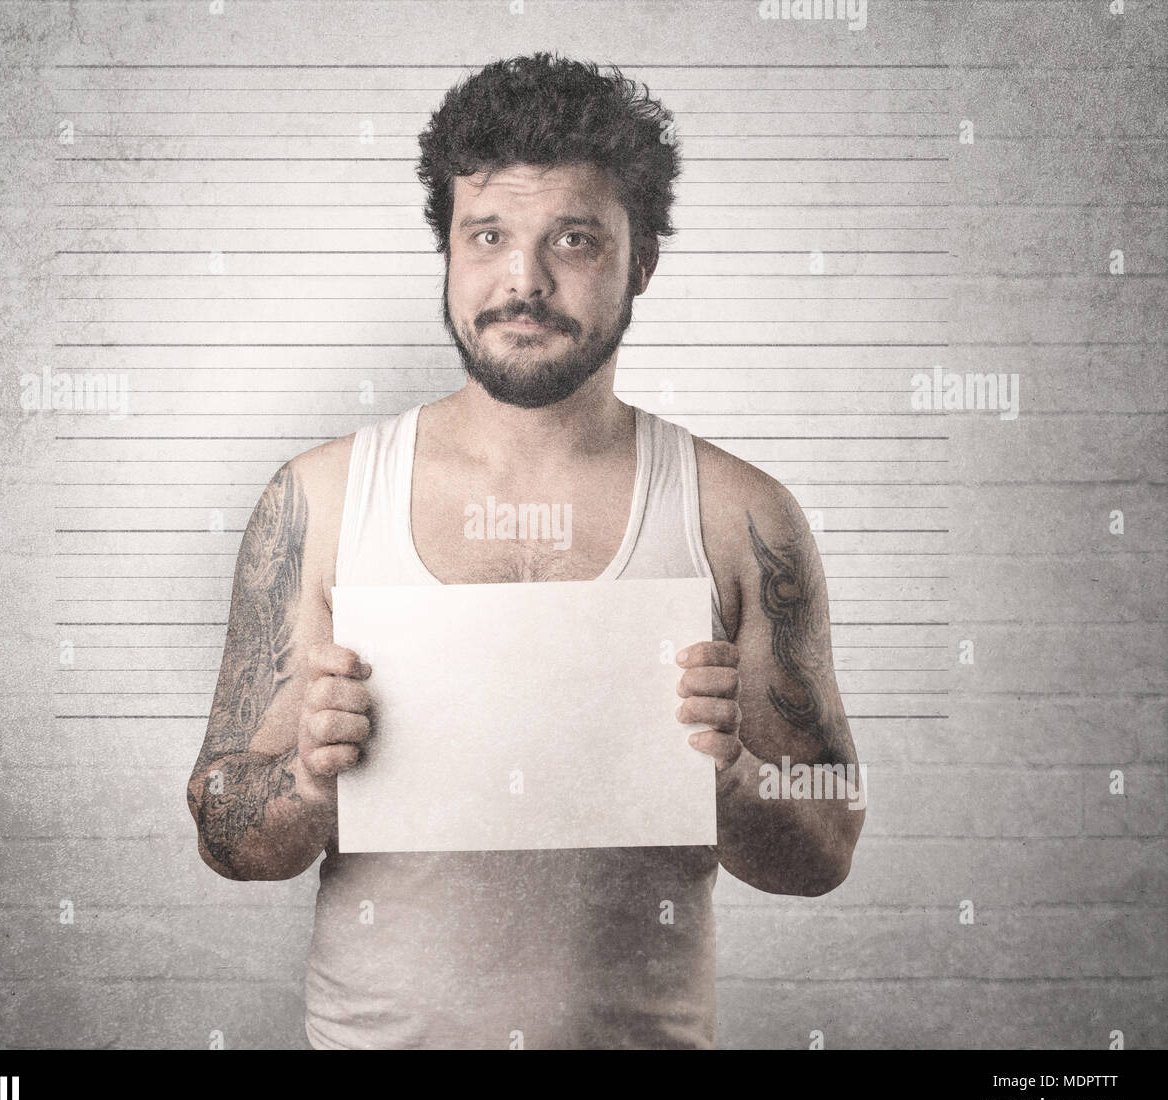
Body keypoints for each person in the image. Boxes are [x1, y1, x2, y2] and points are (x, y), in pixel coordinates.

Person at [185, 52, 864, 1049]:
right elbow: (220, 827)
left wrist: (727, 780)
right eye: (488, 235)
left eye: (574, 239)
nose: (524, 279)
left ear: (640, 262)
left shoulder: (738, 515)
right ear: (448, 254)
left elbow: (826, 847)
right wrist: (308, 780)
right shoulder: (320, 499)